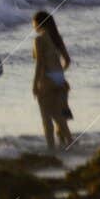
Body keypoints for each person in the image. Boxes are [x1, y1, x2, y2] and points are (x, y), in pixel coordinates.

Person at [31, 10, 74, 150]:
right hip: (60, 79)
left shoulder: (39, 40)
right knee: (59, 116)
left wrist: (35, 84)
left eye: (33, 23)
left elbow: (40, 64)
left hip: (47, 78)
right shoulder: (57, 38)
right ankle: (70, 143)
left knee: (47, 118)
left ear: (38, 23)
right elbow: (67, 61)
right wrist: (59, 74)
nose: (33, 26)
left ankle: (51, 150)